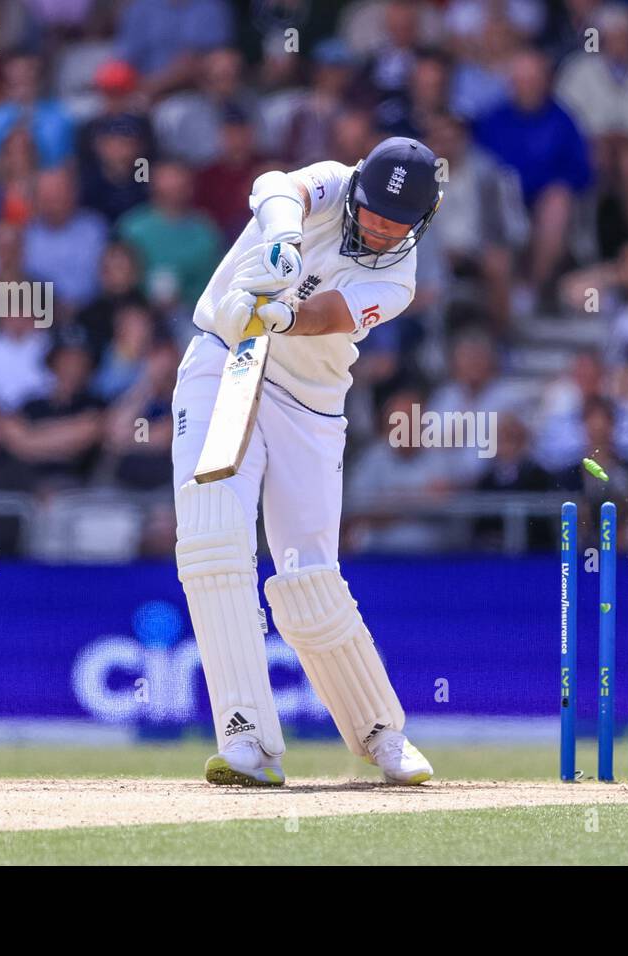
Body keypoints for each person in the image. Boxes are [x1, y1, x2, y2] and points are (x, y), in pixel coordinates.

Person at [171, 136, 442, 787]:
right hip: (225, 363)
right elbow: (274, 184)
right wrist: (282, 246)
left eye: (397, 224)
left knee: (308, 581)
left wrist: (277, 313)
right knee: (212, 539)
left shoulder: (399, 278)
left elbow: (328, 315)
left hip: (309, 403)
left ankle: (382, 734)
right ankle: (247, 740)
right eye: (374, 212)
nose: (380, 229)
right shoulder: (331, 183)